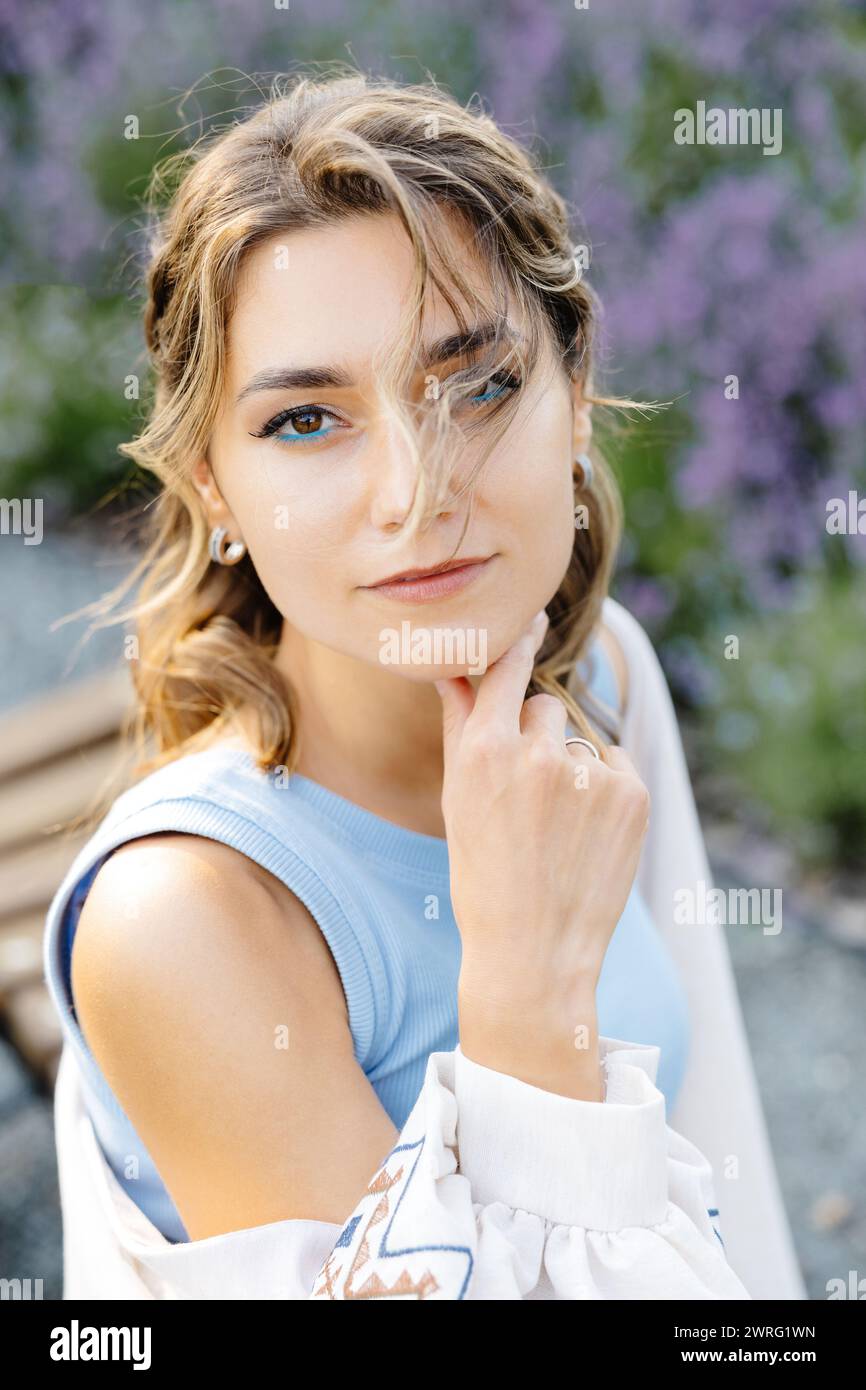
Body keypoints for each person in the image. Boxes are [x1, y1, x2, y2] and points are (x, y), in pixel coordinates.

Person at [42, 68, 805, 1300]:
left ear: (573, 396)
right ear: (211, 485)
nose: (417, 491)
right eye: (306, 421)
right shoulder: (185, 922)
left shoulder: (598, 671)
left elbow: (722, 1176)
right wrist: (518, 997)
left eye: (480, 383)